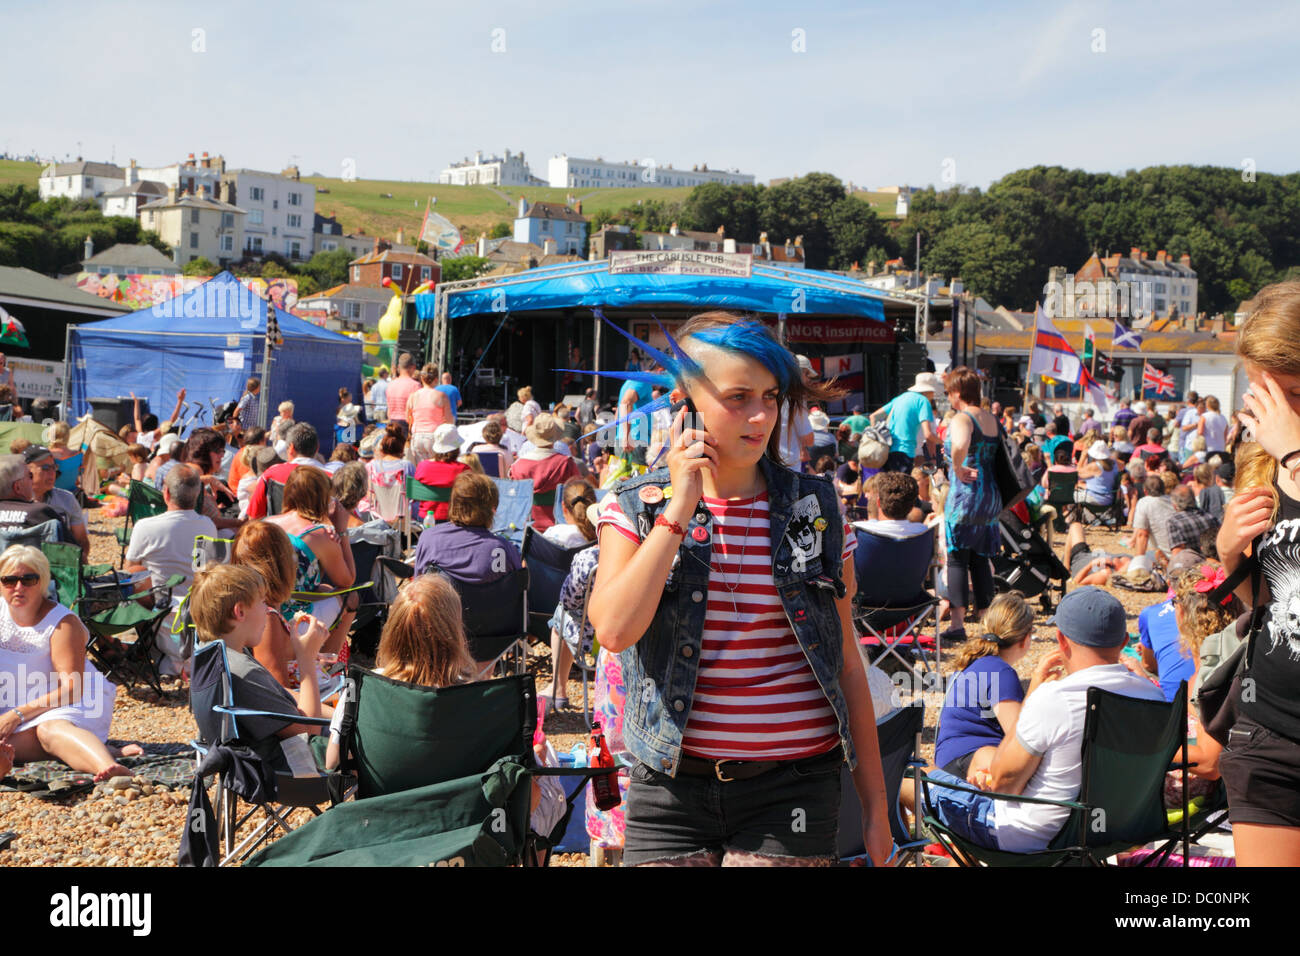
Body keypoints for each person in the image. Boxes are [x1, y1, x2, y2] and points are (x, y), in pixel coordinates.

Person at [588, 311, 891, 867]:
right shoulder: (634, 506)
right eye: (738, 397)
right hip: (671, 788)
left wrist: (875, 805)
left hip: (792, 788)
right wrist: (679, 508)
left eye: (771, 397)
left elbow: (849, 661)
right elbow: (612, 628)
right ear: (687, 403)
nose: (760, 416)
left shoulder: (814, 507)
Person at [923, 587, 1164, 853]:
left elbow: (1004, 785)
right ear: (1124, 641)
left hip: (1034, 838)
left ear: (1061, 640)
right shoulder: (1154, 697)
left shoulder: (1054, 698)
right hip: (1118, 831)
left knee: (912, 779)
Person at [1215, 280, 1300, 864]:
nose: (1274, 410)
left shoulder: (1286, 447)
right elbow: (1261, 604)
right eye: (1263, 393)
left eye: (1290, 391)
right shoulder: (1263, 456)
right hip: (1269, 730)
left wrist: (1296, 454)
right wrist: (1229, 554)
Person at [0, 546, 142, 781]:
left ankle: (108, 768)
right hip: (17, 701)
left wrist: (15, 715)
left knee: (49, 730)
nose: (18, 587)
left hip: (70, 701)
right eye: (9, 580)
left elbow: (72, 690)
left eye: (28, 579)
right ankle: (88, 749)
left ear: (43, 581)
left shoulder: (62, 623)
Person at [189, 564, 329, 768]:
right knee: (367, 747)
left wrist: (340, 713)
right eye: (263, 602)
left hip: (242, 760)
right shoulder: (243, 672)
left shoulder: (215, 654)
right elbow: (309, 731)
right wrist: (306, 658)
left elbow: (280, 693)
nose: (268, 610)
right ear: (240, 611)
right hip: (286, 770)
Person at [932, 592, 1034, 783]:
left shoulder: (970, 663)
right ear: (1025, 638)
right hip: (973, 758)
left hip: (947, 758)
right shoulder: (1001, 672)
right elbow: (1019, 739)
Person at [264, 466, 356, 655]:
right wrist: (342, 530)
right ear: (322, 498)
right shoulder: (318, 534)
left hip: (262, 612)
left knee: (325, 589)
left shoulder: (265, 523)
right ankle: (328, 661)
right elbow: (347, 581)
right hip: (292, 618)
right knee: (351, 597)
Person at [942, 367, 1003, 641]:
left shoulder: (961, 418)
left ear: (957, 393)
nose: (948, 398)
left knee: (957, 559)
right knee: (980, 558)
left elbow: (960, 444)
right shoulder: (991, 418)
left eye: (948, 393)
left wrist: (956, 467)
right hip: (990, 496)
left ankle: (957, 625)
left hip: (965, 495)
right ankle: (987, 624)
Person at [537, 481, 599, 710]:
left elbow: (568, 600)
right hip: (608, 629)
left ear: (564, 508)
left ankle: (559, 687)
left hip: (570, 624)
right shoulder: (607, 544)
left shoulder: (552, 535)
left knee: (562, 614)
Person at [231, 519, 303, 690]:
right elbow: (279, 693)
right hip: (295, 709)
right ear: (281, 565)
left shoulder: (255, 607)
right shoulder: (266, 617)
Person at [413, 472, 522, 579]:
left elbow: (420, 584)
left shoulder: (429, 539)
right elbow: (516, 587)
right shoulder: (503, 548)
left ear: (454, 504)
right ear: (491, 510)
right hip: (488, 596)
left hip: (445, 596)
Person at [509, 413, 579, 531]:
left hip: (526, 527)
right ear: (555, 436)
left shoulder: (517, 466)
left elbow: (515, 500)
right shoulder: (566, 464)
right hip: (561, 526)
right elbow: (579, 492)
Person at [246, 422, 326, 520]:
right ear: (317, 448)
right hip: (318, 533)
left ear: (291, 448)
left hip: (277, 533)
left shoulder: (270, 474)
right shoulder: (330, 477)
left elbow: (254, 517)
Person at [23, 446, 89, 559]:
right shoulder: (14, 502)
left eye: (54, 467)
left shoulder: (67, 499)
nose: (52, 473)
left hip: (61, 566)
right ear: (27, 470)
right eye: (45, 468)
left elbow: (81, 540)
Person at [870, 372, 939, 472]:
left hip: (888, 450)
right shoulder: (923, 401)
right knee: (902, 485)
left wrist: (877, 439)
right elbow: (928, 434)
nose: (933, 395)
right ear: (929, 391)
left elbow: (873, 416)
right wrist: (944, 443)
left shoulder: (900, 398)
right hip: (906, 451)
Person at [0, 453, 65, 539]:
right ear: (17, 487)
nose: (32, 480)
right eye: (30, 476)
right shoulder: (40, 512)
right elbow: (72, 549)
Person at [412, 424, 468, 522]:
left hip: (426, 519)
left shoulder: (422, 466)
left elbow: (416, 496)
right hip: (454, 519)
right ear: (457, 448)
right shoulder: (463, 469)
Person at [857, 471, 928, 539]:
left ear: (878, 502)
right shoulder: (923, 531)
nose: (865, 495)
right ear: (912, 507)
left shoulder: (860, 530)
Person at [408, 364, 452, 461]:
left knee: (420, 471)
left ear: (422, 378)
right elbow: (449, 422)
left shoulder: (413, 396)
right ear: (436, 379)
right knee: (435, 469)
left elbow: (408, 418)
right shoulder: (441, 396)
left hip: (417, 436)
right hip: (434, 435)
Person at [1129, 473, 1175, 558]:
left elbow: (1142, 534)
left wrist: (1138, 562)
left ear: (1145, 491)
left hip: (1166, 555)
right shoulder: (1173, 500)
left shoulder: (1144, 502)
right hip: (1181, 554)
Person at [1074, 440, 1121, 507]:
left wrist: (1083, 456)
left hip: (1095, 498)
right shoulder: (1114, 463)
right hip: (1109, 498)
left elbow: (1078, 472)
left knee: (1070, 496)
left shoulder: (1095, 466)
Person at [385, 352, 421, 431]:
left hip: (392, 423)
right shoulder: (415, 386)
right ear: (413, 367)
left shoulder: (390, 385)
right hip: (407, 424)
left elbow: (388, 409)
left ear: (398, 367)